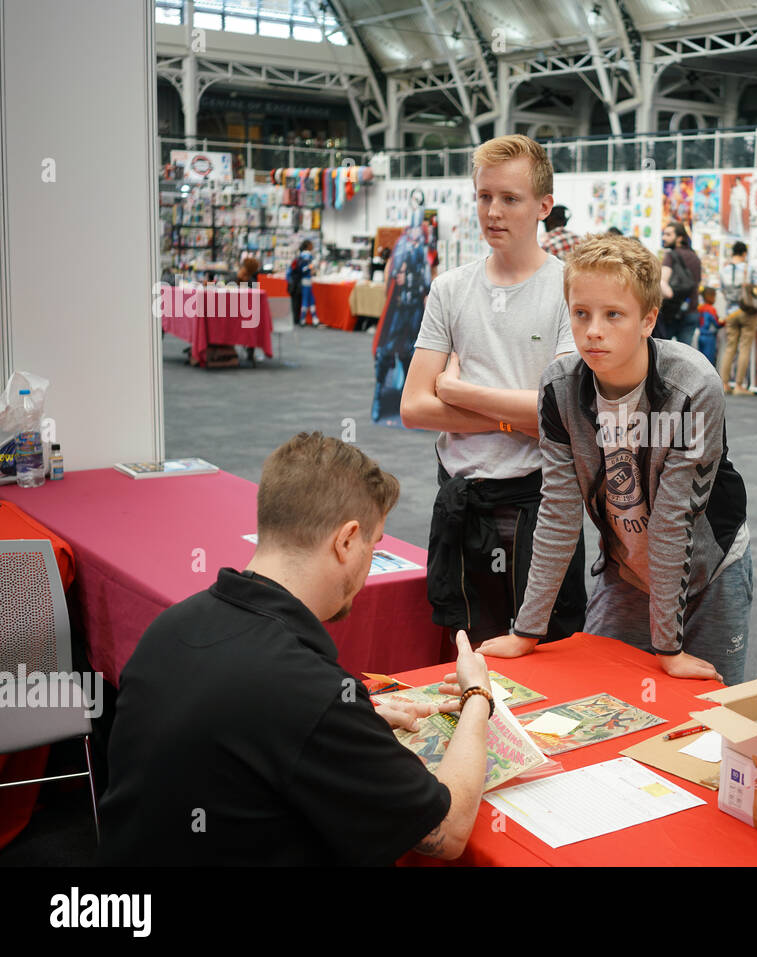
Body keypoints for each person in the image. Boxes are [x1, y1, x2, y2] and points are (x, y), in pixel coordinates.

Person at [97, 433, 493, 865]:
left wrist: (355, 721)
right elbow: (447, 832)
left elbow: (235, 724)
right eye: (373, 545)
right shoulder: (309, 691)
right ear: (346, 541)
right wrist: (477, 698)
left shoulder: (172, 624)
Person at [478, 235, 752, 684]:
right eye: (581, 313)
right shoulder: (559, 389)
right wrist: (527, 631)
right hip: (625, 570)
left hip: (709, 571)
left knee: (708, 717)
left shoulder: (693, 386)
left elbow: (674, 519)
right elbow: (558, 514)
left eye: (613, 315)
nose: (593, 331)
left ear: (648, 320)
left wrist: (668, 646)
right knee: (602, 694)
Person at [400, 134, 587, 643]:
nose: (494, 211)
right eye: (484, 197)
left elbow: (564, 416)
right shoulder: (451, 288)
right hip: (462, 502)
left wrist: (457, 393)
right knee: (467, 654)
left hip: (540, 502)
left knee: (547, 656)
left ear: (543, 206)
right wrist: (518, 418)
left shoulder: (571, 289)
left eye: (510, 198)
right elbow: (415, 407)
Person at [718, 241, 757, 396]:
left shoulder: (724, 270)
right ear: (744, 253)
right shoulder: (749, 269)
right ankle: (739, 385)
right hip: (747, 311)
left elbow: (723, 291)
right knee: (744, 347)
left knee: (730, 347)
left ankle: (724, 383)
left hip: (730, 312)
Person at [657, 220, 701, 344]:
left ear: (679, 238)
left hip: (672, 312)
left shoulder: (671, 256)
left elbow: (662, 283)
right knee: (686, 356)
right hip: (691, 310)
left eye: (668, 234)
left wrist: (667, 294)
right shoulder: (695, 257)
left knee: (664, 353)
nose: (664, 238)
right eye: (664, 234)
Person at [287, 239, 317, 327]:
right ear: (308, 245)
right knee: (306, 300)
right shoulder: (307, 255)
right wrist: (312, 265)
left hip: (306, 280)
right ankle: (303, 319)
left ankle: (313, 318)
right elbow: (304, 269)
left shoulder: (302, 255)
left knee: (311, 299)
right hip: (305, 281)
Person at [697, 287, 721, 365]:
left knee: (701, 359)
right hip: (709, 337)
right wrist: (725, 322)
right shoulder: (711, 309)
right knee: (709, 361)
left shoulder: (700, 308)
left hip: (701, 336)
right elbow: (717, 324)